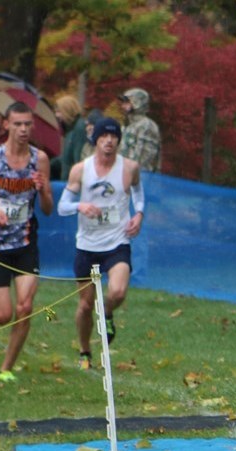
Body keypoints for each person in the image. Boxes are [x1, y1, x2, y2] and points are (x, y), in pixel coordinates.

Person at [56, 118, 144, 369]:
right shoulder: (81, 170)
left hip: (117, 241)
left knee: (117, 291)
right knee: (84, 305)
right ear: (96, 140)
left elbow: (137, 191)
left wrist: (139, 213)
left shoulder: (129, 168)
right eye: (104, 136)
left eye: (114, 136)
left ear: (118, 140)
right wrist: (80, 206)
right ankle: (85, 351)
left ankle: (106, 313)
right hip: (87, 244)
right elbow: (62, 207)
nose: (109, 140)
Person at [0, 102, 54, 382]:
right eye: (17, 124)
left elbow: (48, 207)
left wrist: (42, 192)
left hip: (26, 244)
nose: (23, 129)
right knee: (3, 316)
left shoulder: (39, 160)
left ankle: (6, 368)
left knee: (25, 307)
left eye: (28, 124)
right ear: (6, 125)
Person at [117, 88, 161, 173]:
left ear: (137, 103)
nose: (123, 106)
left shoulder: (147, 126)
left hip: (142, 178)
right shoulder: (127, 125)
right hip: (124, 176)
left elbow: (146, 158)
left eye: (127, 102)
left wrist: (132, 175)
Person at [52, 95, 87, 182]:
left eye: (59, 112)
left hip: (73, 182)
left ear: (67, 110)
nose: (57, 115)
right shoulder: (69, 130)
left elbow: (78, 158)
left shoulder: (79, 128)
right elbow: (65, 157)